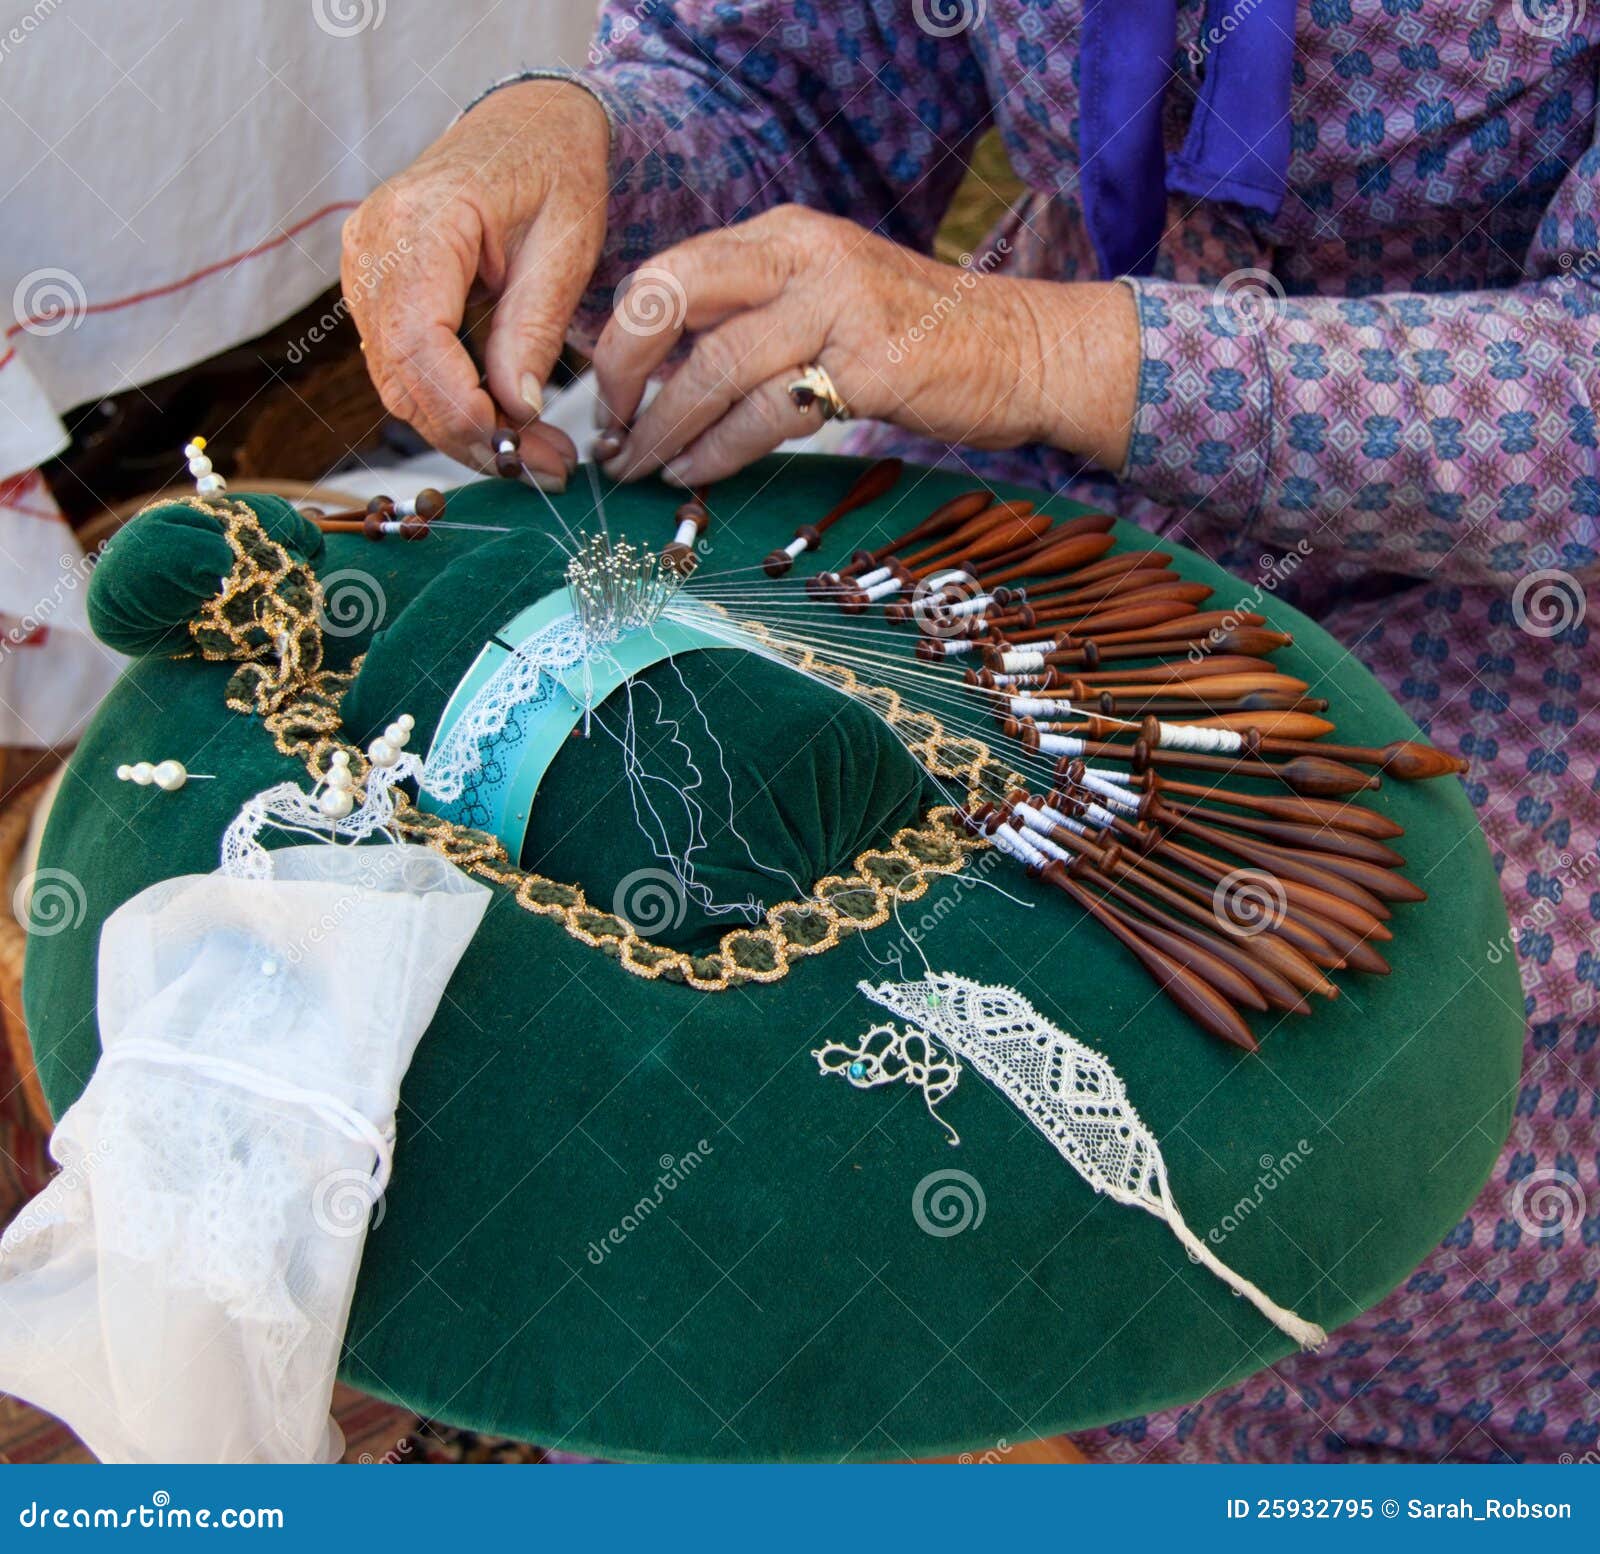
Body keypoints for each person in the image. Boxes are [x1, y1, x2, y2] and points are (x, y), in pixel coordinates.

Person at [342, 3, 1600, 1462]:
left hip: (1515, 617)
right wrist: (577, 142)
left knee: (1339, 1115)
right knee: (736, 964)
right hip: (1029, 500)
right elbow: (787, 75)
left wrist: (1036, 352)